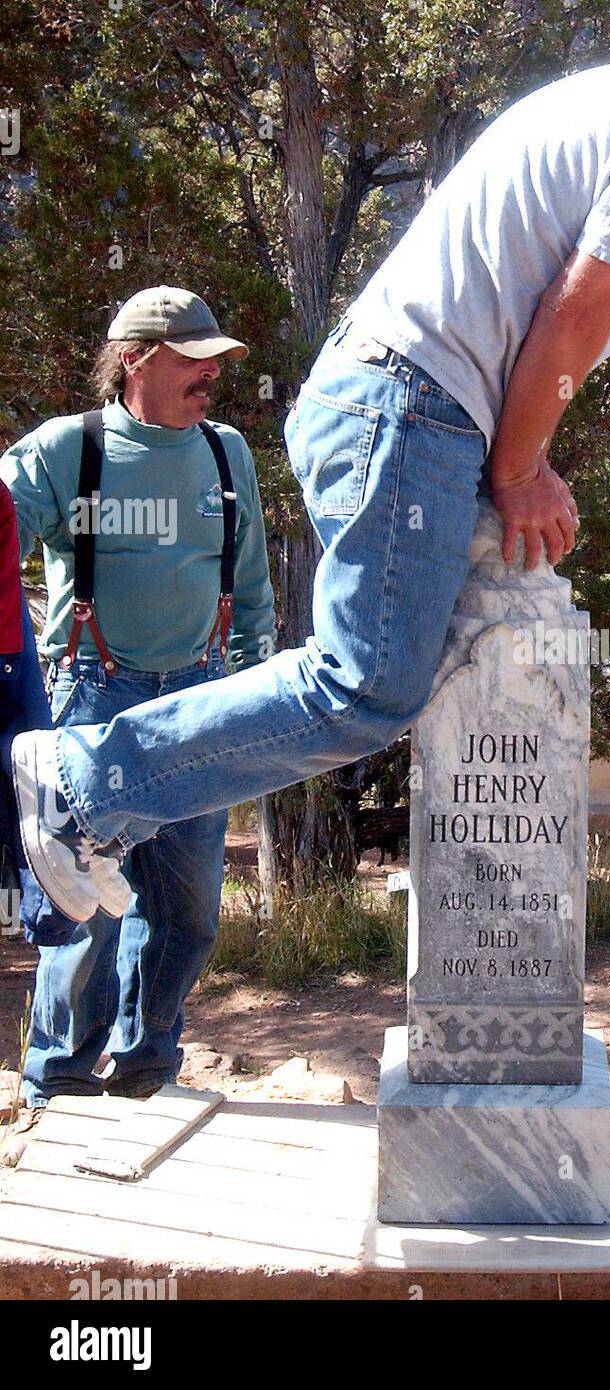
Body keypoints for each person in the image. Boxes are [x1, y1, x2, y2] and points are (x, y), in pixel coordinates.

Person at [10, 31, 610, 920]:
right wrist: (521, 468)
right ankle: (84, 781)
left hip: (403, 405)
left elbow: (531, 313)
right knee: (364, 684)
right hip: (410, 410)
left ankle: (97, 796)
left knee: (375, 679)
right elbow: (570, 322)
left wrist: (522, 458)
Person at [0, 286, 276, 1116]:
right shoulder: (65, 451)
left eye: (216, 363)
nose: (210, 377)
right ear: (137, 360)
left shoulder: (227, 454)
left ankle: (149, 1060)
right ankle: (61, 1074)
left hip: (200, 698)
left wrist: (252, 693)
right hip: (91, 699)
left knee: (188, 902)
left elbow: (253, 588)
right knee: (89, 906)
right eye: (193, 361)